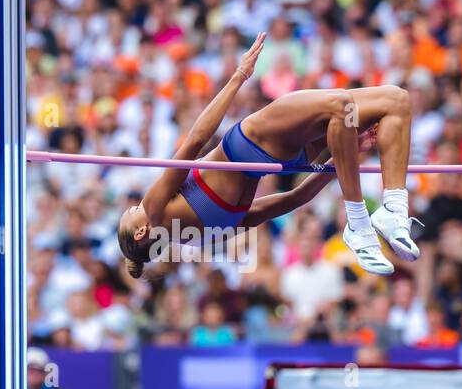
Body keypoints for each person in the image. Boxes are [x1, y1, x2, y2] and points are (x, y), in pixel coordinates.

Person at [118, 32, 418, 278]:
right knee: (343, 105)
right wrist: (239, 76)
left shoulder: (203, 238)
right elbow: (196, 139)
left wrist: (342, 154)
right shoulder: (154, 209)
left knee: (396, 101)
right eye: (133, 212)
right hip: (255, 139)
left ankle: (393, 207)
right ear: (143, 230)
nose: (137, 205)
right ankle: (358, 224)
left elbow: (295, 198)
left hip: (290, 158)